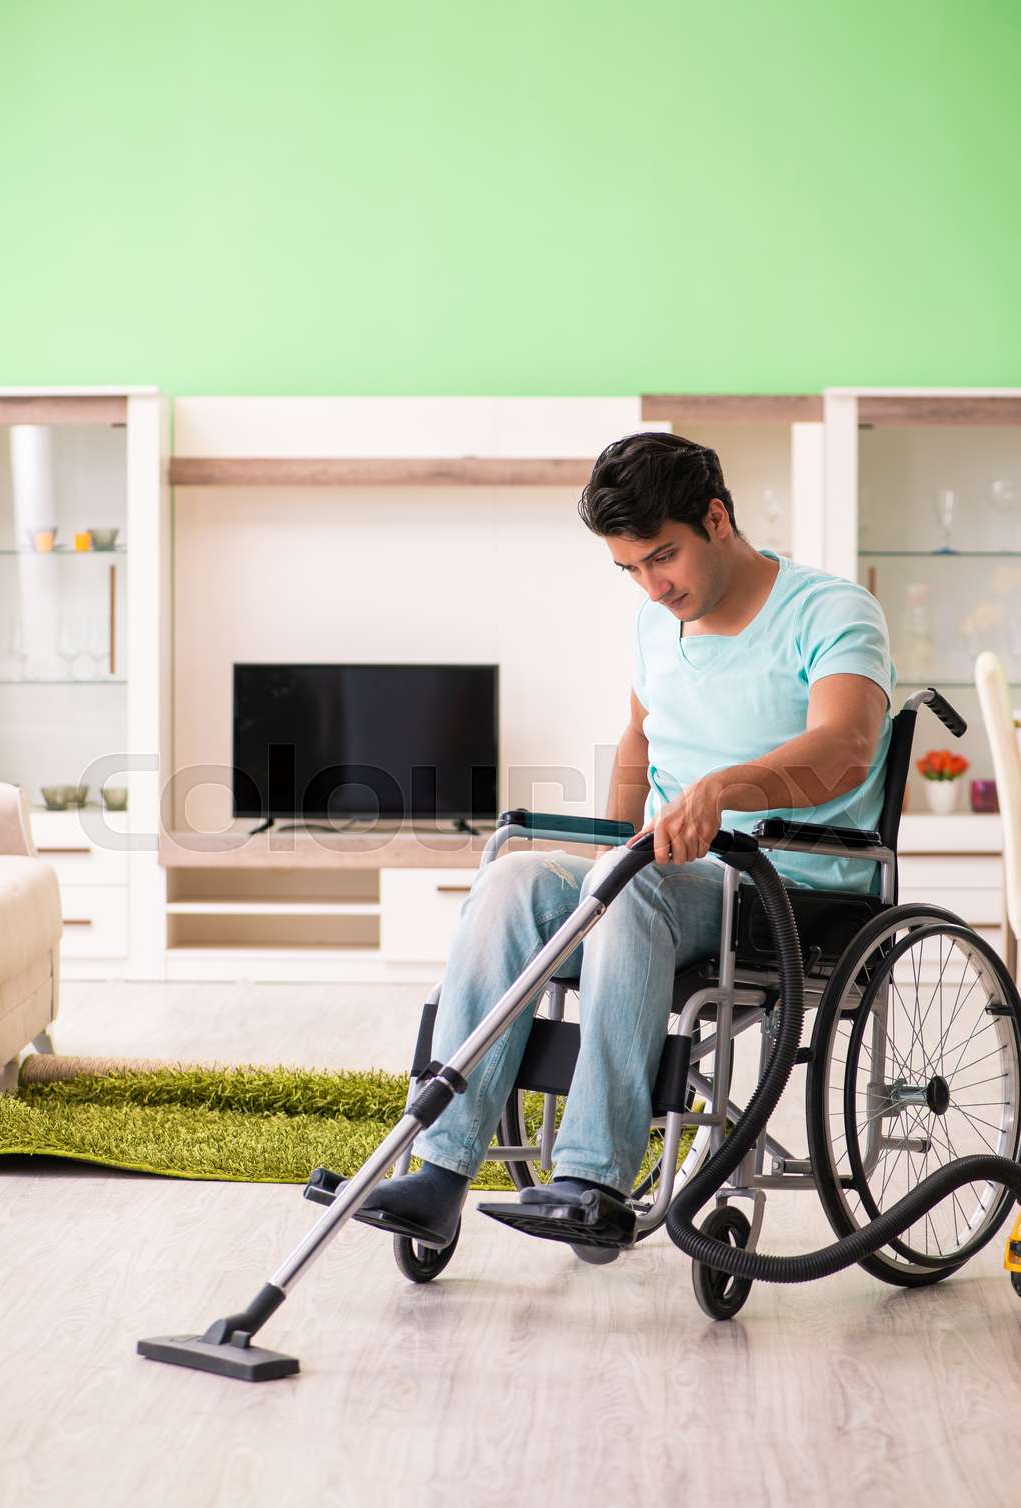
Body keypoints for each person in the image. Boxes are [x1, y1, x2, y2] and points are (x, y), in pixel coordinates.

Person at [353, 431, 896, 1251]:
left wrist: (720, 792)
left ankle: (595, 1178)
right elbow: (639, 744)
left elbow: (847, 746)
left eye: (662, 557)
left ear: (717, 518)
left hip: (787, 890)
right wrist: (615, 839)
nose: (651, 585)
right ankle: (440, 1166)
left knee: (629, 881)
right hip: (665, 879)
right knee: (517, 878)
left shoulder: (830, 609)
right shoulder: (655, 626)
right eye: (631, 569)